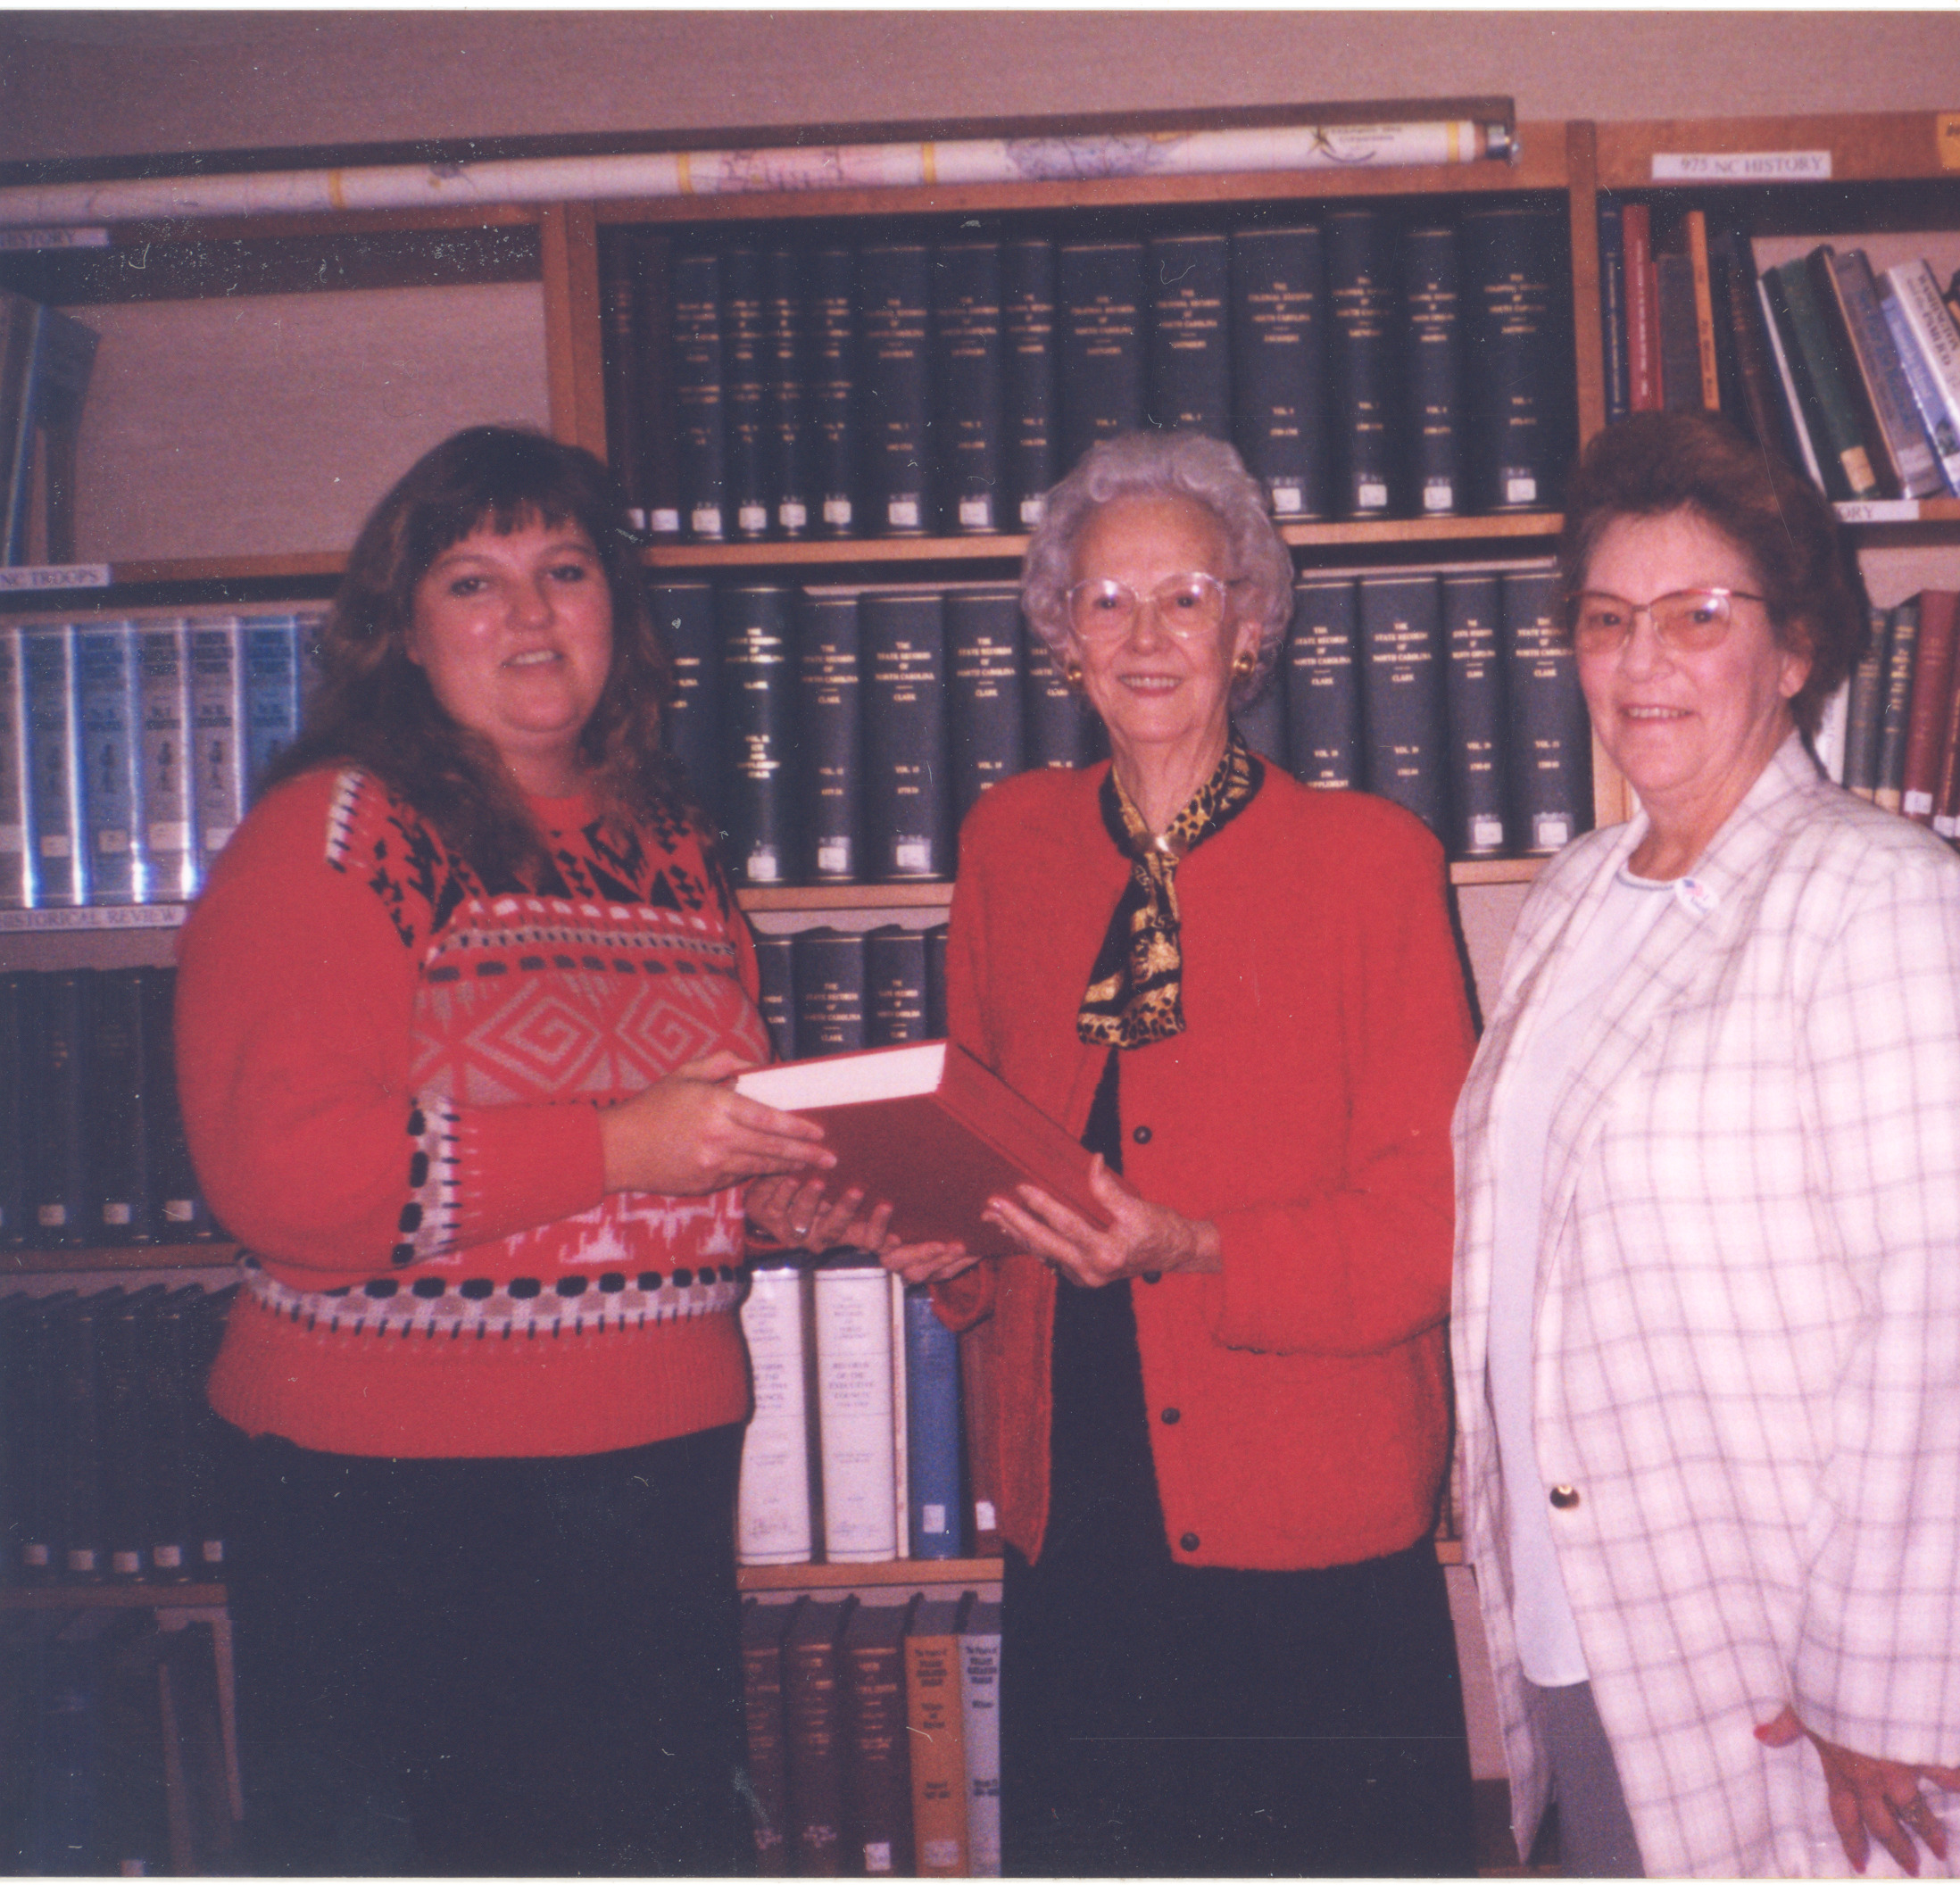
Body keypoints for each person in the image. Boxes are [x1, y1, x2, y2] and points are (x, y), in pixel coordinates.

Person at [175, 425, 860, 1873]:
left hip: (652, 1468)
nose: (533, 615)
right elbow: (280, 1171)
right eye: (475, 583)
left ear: (619, 607)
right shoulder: (335, 831)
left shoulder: (674, 844)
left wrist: (772, 1178)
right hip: (388, 1497)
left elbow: (688, 1149)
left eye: (564, 570)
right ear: (403, 639)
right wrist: (619, 1148)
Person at [1449, 411, 1960, 1878]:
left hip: (1827, 1688)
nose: (1641, 665)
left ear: (1795, 647)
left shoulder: (1881, 898)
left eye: (1698, 617)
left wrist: (1878, 1698)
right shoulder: (1573, 897)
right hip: (1604, 1623)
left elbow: (1950, 1321)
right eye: (1608, 621)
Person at [885, 429, 1477, 1876]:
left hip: (1308, 1498)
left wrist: (1195, 1244)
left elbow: (1433, 1219)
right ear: (1058, 633)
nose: (1144, 635)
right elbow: (978, 1138)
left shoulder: (1371, 860)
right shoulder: (1006, 844)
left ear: (1252, 624)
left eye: (1187, 596)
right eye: (1104, 600)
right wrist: (939, 1240)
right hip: (1078, 1508)